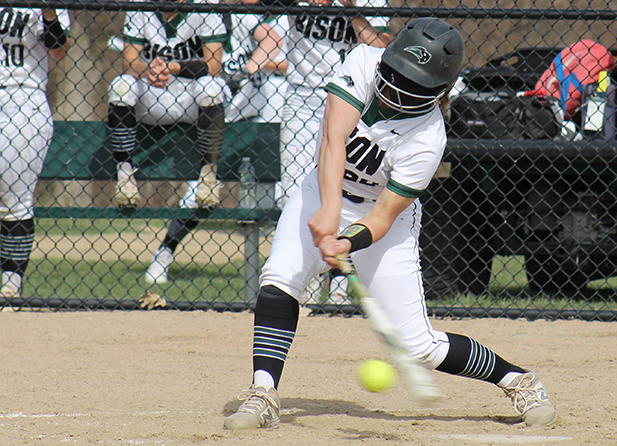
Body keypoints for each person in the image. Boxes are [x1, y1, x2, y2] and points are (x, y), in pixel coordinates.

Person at [222, 18, 558, 430]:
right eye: (397, 74)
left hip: (381, 220)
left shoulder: (428, 138)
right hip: (321, 189)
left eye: (414, 84)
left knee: (419, 345)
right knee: (279, 279)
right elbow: (333, 140)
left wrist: (346, 241)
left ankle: (518, 380)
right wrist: (328, 208)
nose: (399, 89)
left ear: (439, 91)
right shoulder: (363, 61)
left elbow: (383, 216)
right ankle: (263, 392)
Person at [144, 5, 289, 285]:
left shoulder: (243, 18)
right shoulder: (199, 18)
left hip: (254, 116)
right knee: (199, 195)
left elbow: (272, 41)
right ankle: (164, 254)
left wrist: (249, 66)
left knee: (283, 194)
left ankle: (287, 271)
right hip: (220, 123)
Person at [282, 0, 391, 304]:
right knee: (294, 193)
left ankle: (340, 285)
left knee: (349, 192)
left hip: (353, 98)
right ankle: (308, 281)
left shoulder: (369, 2)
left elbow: (382, 47)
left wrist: (351, 9)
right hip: (302, 97)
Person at [107, 0, 228, 209]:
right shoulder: (140, 5)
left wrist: (174, 67)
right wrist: (147, 70)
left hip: (192, 96)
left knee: (212, 87)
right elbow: (129, 62)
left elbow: (214, 66)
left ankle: (208, 175)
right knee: (121, 85)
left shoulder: (205, 4)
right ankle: (125, 175)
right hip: (153, 92)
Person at [0, 9, 72, 298]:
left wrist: (48, 13)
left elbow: (59, 51)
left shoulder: (39, 6)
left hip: (22, 98)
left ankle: (10, 287)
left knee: (14, 200)